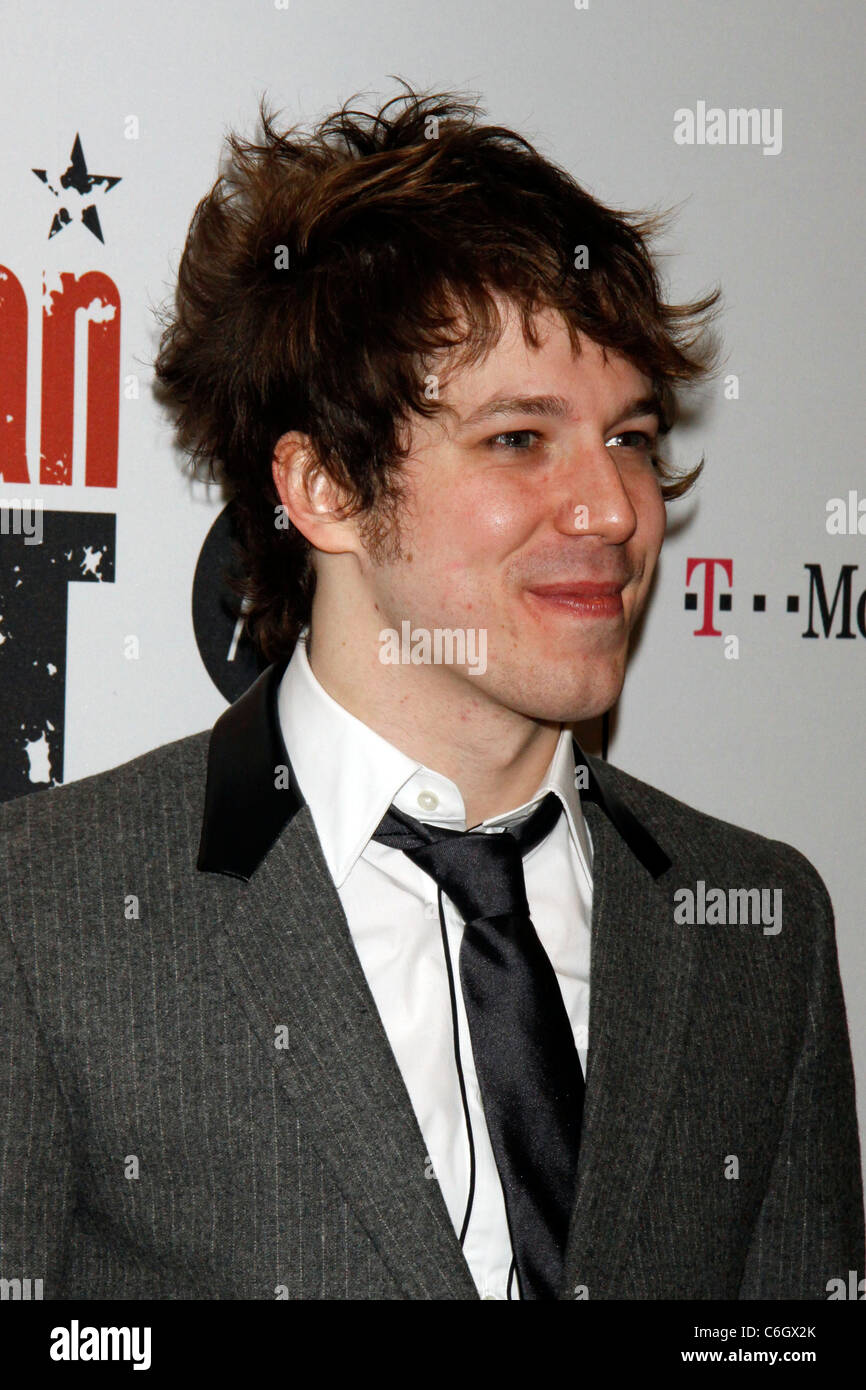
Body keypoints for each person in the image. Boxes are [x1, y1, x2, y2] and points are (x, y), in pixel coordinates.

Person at [0, 85, 862, 1301]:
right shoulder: (47, 914)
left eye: (629, 436)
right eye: (519, 438)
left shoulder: (754, 924)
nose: (614, 510)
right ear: (325, 490)